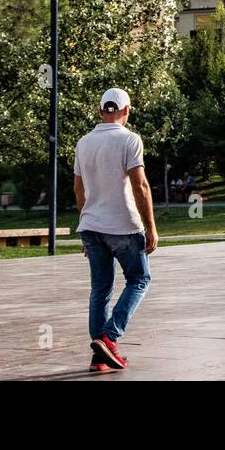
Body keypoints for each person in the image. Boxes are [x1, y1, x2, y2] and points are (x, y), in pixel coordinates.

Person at [73, 87, 158, 373]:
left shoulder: (83, 143)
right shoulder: (130, 140)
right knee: (139, 279)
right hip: (122, 226)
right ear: (127, 110)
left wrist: (86, 223)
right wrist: (151, 227)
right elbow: (140, 185)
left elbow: (78, 187)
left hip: (91, 227)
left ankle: (100, 358)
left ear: (101, 111)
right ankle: (109, 337)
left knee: (101, 288)